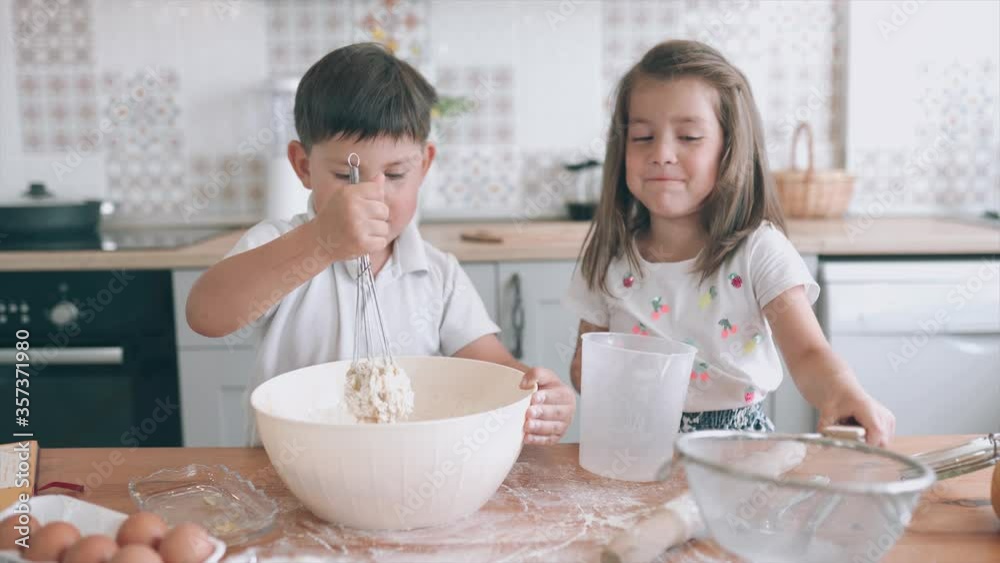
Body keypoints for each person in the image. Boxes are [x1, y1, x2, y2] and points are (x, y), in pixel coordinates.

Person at [187, 43, 575, 446]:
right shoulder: (279, 244)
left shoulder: (438, 274)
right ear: (303, 166)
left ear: (423, 165)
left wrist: (536, 396)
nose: (373, 196)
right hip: (288, 474)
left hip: (402, 475)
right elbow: (207, 315)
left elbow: (493, 369)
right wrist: (320, 243)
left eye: (395, 174)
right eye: (346, 175)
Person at [565, 40, 894, 446]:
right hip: (632, 446)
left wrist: (843, 391)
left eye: (688, 136)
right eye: (643, 136)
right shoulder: (609, 258)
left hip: (737, 452)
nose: (662, 153)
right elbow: (584, 367)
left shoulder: (758, 253)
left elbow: (809, 355)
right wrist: (598, 375)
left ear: (729, 150)